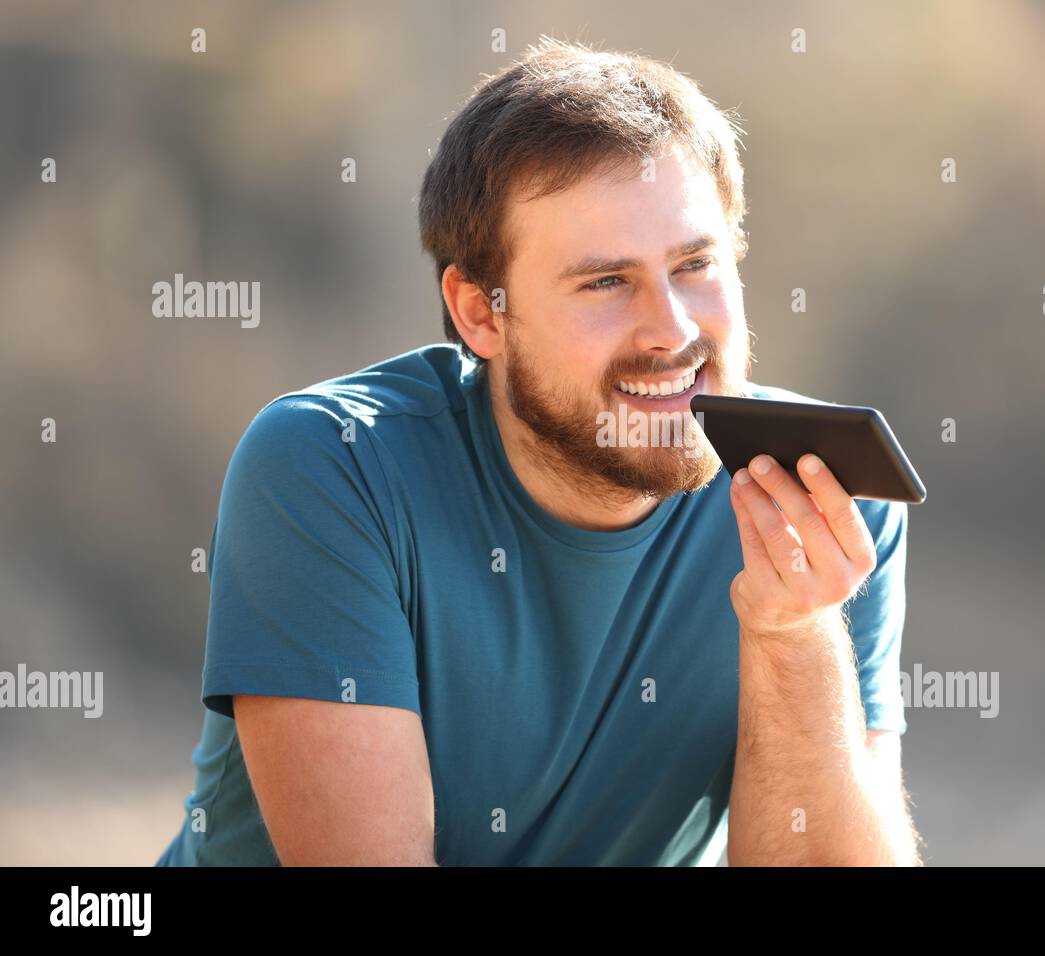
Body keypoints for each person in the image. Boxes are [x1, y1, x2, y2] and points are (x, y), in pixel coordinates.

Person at [155, 37, 919, 867]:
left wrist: (794, 633)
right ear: (481, 313)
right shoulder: (332, 467)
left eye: (696, 264)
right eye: (606, 282)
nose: (672, 331)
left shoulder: (816, 497)